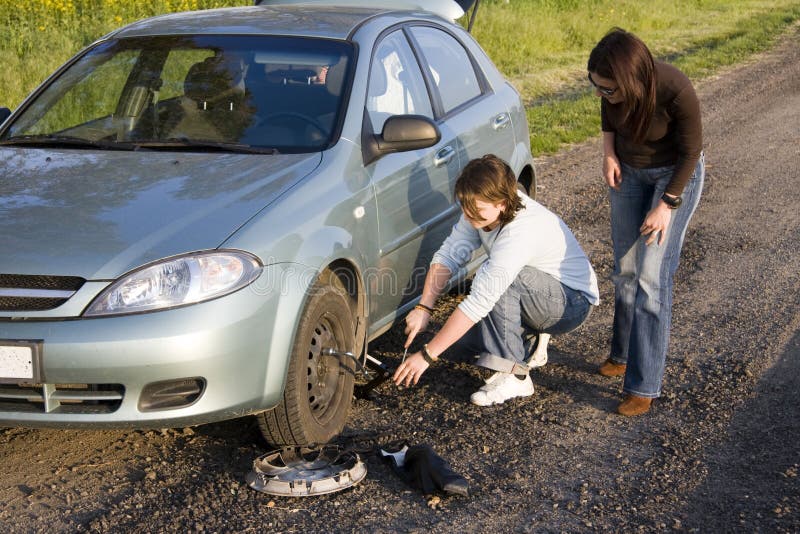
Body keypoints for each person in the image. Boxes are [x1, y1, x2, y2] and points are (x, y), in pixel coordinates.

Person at [392, 155, 600, 406]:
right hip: (539, 292)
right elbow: (449, 255)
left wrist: (426, 356)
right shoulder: (478, 208)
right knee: (463, 347)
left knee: (494, 281)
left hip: (570, 303)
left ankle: (517, 376)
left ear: (502, 203)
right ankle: (529, 340)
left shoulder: (521, 231)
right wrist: (424, 306)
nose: (469, 218)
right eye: (465, 209)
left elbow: (479, 301)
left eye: (476, 212)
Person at [587, 28, 704, 416]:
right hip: (629, 173)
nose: (602, 95)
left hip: (672, 178)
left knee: (651, 278)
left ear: (633, 80)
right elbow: (608, 114)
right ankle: (621, 354)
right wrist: (608, 153)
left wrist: (667, 205)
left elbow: (691, 151)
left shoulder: (674, 87)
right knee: (624, 270)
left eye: (609, 88)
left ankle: (644, 385)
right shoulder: (610, 92)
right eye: (597, 87)